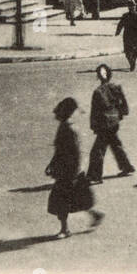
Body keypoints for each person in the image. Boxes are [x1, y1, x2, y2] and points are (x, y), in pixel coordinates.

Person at [45, 97, 99, 239]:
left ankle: (65, 229)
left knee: (61, 200)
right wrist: (51, 163)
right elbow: (59, 150)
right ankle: (95, 216)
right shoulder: (64, 126)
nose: (56, 113)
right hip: (66, 169)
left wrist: (74, 172)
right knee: (77, 198)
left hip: (70, 171)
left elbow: (76, 151)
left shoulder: (69, 128)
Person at [87, 64, 134, 182]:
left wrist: (94, 126)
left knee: (97, 150)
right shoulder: (116, 87)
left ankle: (95, 176)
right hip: (114, 122)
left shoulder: (97, 92)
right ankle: (126, 166)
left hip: (104, 124)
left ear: (98, 76)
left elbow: (95, 111)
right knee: (115, 144)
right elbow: (123, 104)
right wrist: (120, 115)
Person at [114, 7, 137, 71]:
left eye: (132, 6)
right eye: (130, 6)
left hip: (134, 35)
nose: (131, 7)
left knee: (134, 50)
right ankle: (132, 62)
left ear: (134, 6)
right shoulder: (126, 15)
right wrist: (118, 31)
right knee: (128, 51)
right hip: (129, 35)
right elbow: (120, 24)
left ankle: (132, 62)